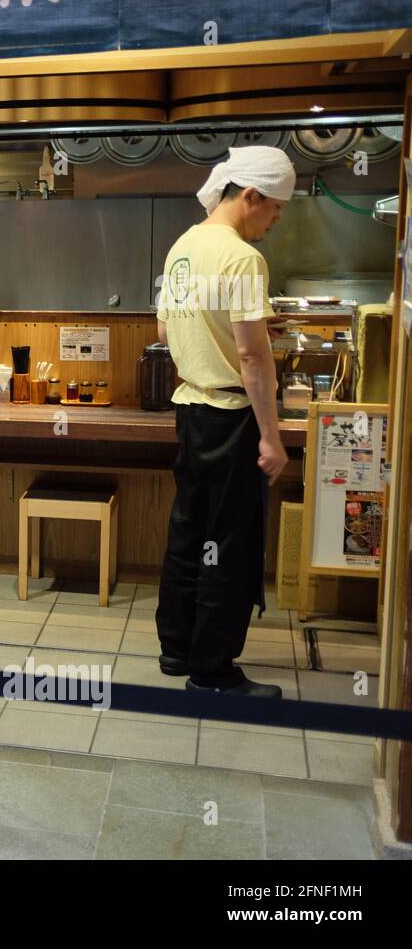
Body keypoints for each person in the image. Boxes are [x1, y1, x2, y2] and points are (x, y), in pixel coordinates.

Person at [154, 146, 295, 699]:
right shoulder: (241, 259)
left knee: (190, 530)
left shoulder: (183, 247)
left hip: (190, 409)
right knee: (229, 541)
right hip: (234, 416)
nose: (275, 222)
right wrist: (271, 435)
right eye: (275, 210)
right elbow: (254, 358)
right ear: (251, 195)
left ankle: (177, 647)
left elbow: (166, 333)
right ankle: (212, 671)